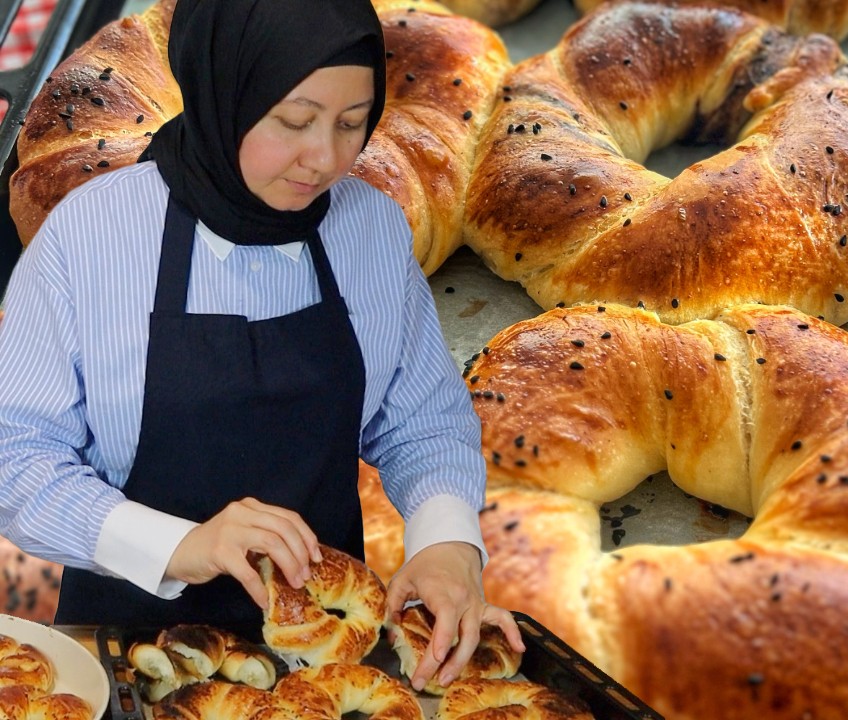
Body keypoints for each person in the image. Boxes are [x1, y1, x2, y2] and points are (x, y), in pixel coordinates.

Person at [0, 0, 523, 691]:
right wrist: (182, 544)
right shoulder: (91, 238)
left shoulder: (370, 228)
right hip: (128, 660)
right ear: (223, 94)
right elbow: (17, 456)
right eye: (295, 122)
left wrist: (446, 542)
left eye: (351, 122)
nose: (326, 158)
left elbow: (421, 419)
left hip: (326, 660)